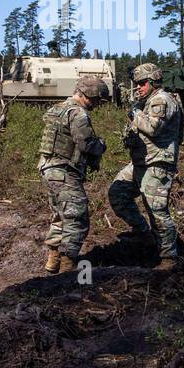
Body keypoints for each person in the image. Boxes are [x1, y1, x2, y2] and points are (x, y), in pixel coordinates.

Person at [108, 63, 184, 270]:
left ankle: (169, 257)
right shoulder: (147, 101)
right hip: (141, 162)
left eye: (142, 83)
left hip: (157, 164)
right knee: (118, 192)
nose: (138, 87)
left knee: (157, 211)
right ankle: (143, 234)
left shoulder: (162, 99)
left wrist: (135, 114)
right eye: (136, 84)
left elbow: (153, 127)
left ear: (153, 82)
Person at [38, 76, 108, 274]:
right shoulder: (78, 114)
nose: (97, 104)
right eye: (97, 99)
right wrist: (102, 145)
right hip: (64, 171)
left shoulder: (57, 108)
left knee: (60, 215)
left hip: (48, 169)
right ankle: (68, 265)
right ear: (90, 95)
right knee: (77, 216)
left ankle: (53, 261)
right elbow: (86, 144)